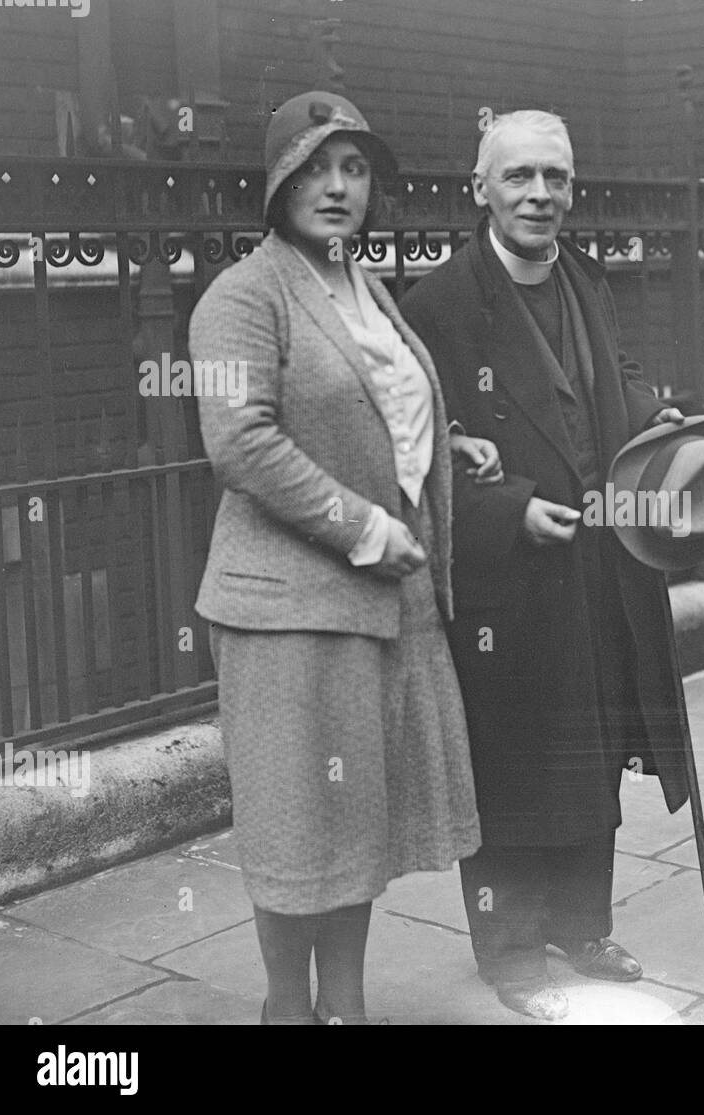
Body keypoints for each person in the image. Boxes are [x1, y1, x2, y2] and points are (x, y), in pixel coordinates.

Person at [190, 91, 501, 1024]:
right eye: (317, 166)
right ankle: (289, 1008)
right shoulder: (241, 296)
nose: (337, 187)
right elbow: (239, 442)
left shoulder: (363, 286)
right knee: (297, 825)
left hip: (377, 608)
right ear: (278, 181)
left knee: (355, 820)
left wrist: (443, 443)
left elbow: (360, 409)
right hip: (285, 612)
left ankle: (350, 1006)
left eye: (356, 167)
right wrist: (367, 526)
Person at [398, 109, 693, 1022]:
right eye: (519, 176)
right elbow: (418, 452)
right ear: (478, 189)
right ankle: (511, 946)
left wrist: (655, 418)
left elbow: (617, 377)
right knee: (514, 763)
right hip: (507, 587)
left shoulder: (585, 280)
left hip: (603, 564)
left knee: (596, 747)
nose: (540, 195)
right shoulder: (438, 304)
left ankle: (582, 924)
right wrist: (506, 508)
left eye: (555, 178)